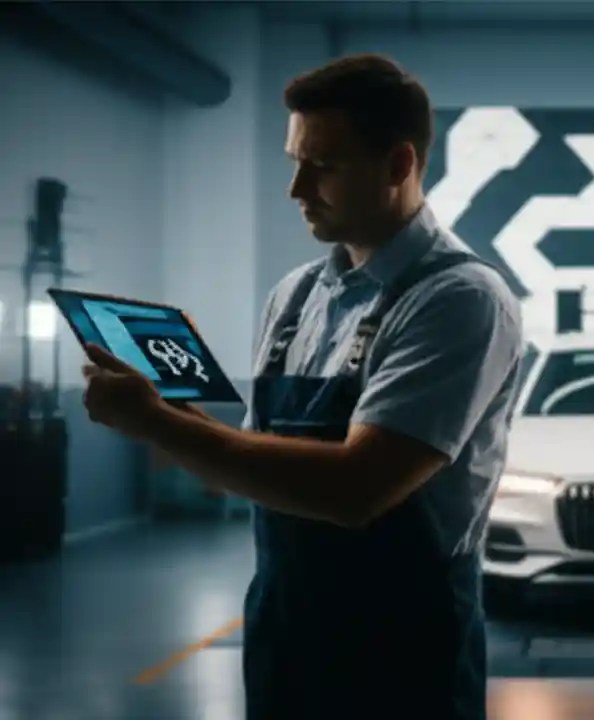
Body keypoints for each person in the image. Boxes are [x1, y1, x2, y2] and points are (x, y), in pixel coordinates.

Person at [79, 53, 524, 719]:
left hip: (404, 649)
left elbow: (357, 489)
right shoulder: (294, 297)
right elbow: (259, 466)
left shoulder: (459, 298)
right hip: (284, 631)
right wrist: (178, 413)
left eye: (323, 165)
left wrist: (156, 423)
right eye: (295, 160)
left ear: (399, 166)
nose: (296, 189)